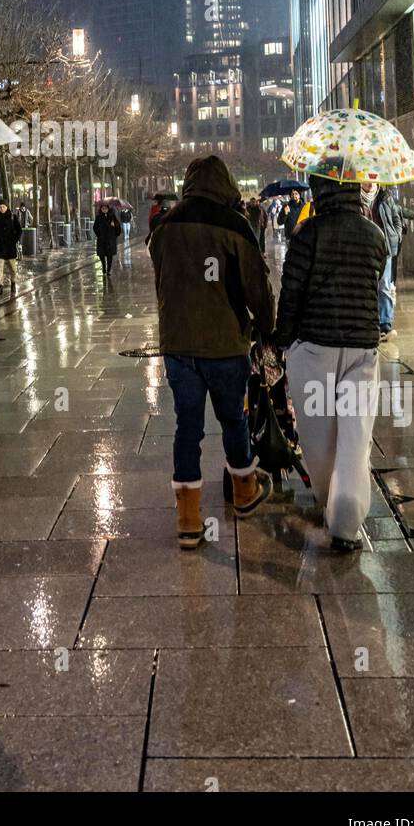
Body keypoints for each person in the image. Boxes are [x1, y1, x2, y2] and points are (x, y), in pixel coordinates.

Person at [149, 155, 276, 544]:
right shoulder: (234, 225)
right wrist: (267, 329)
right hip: (225, 345)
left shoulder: (164, 226)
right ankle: (244, 491)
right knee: (233, 422)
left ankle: (188, 520)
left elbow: (163, 283)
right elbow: (257, 288)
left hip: (179, 345)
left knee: (187, 428)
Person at [275, 172, 388, 552]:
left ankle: (327, 501)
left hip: (315, 348)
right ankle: (345, 521)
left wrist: (282, 338)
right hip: (361, 346)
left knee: (318, 436)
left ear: (319, 190)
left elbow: (291, 293)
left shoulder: (307, 234)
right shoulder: (375, 236)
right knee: (356, 435)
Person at [370, 186, 404, 339]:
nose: (370, 183)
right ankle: (371, 322)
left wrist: (396, 236)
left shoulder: (385, 198)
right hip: (367, 247)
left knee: (384, 285)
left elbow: (397, 219)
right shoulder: (356, 199)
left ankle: (385, 323)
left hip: (385, 247)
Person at [0, 199, 22, 294]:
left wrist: (14, 240)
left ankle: (13, 283)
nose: (1, 209)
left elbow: (19, 230)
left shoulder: (13, 217)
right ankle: (0, 286)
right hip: (0, 247)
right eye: (0, 207)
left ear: (7, 207)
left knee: (13, 268)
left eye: (3, 207)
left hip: (10, 247)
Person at [93, 201, 121, 277]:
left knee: (109, 256)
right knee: (101, 255)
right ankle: (103, 267)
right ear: (101, 209)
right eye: (103, 208)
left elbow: (118, 228)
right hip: (102, 240)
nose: (104, 210)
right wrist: (99, 235)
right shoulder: (98, 217)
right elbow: (95, 227)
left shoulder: (112, 216)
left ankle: (108, 270)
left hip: (110, 240)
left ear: (108, 209)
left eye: (106, 208)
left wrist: (114, 225)